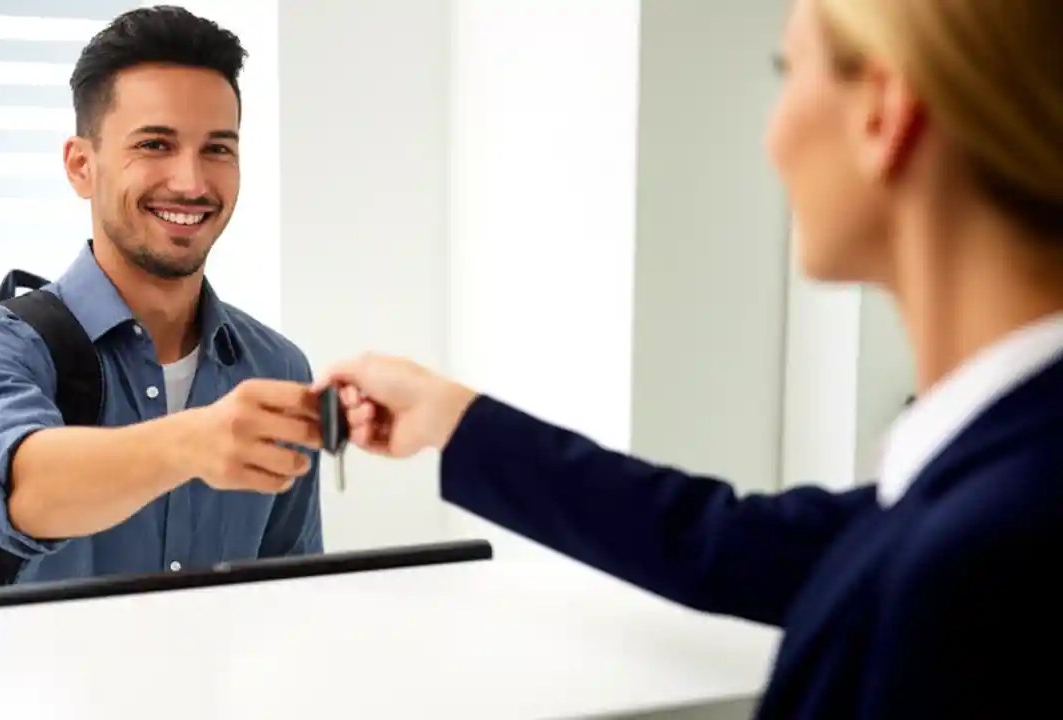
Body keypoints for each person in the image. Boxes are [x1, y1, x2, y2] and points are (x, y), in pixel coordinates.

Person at [317, 0, 1063, 717]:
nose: (772, 136)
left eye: (788, 70)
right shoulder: (996, 474)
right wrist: (455, 419)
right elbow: (728, 543)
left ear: (882, 111)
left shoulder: (983, 563)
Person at [0, 6, 323, 591]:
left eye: (218, 149)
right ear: (81, 166)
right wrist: (194, 442)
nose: (191, 182)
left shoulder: (278, 367)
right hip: (24, 685)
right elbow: (22, 492)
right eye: (156, 144)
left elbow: (294, 591)